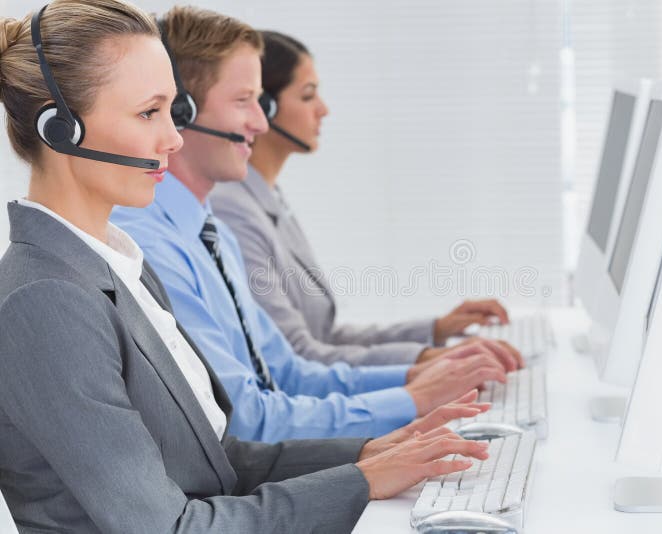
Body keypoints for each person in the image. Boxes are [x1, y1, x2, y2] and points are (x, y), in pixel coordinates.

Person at [0, 2, 491, 532]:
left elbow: (218, 457)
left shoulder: (118, 266)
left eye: (173, 111)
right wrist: (361, 482)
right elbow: (169, 527)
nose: (175, 138)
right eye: (149, 112)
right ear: (61, 128)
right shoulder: (47, 299)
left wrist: (373, 453)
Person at [111, 6, 514, 443]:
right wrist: (413, 398)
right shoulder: (149, 247)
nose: (261, 123)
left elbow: (289, 372)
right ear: (181, 112)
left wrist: (419, 379)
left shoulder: (212, 234)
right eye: (244, 101)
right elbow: (244, 419)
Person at [209, 31, 523, 368]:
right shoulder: (234, 211)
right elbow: (299, 354)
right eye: (308, 95)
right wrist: (430, 360)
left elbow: (323, 336)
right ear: (264, 107)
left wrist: (434, 331)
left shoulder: (268, 198)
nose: (323, 110)